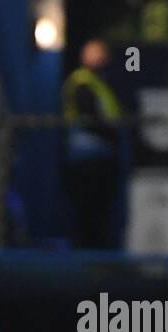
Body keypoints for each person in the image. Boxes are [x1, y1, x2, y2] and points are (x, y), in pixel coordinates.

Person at [62, 39, 123, 249]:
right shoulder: (82, 82)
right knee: (88, 212)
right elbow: (89, 118)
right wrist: (110, 134)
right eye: (96, 54)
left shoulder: (101, 84)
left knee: (99, 213)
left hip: (101, 156)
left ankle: (95, 252)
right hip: (86, 157)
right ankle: (85, 256)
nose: (101, 59)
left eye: (103, 54)